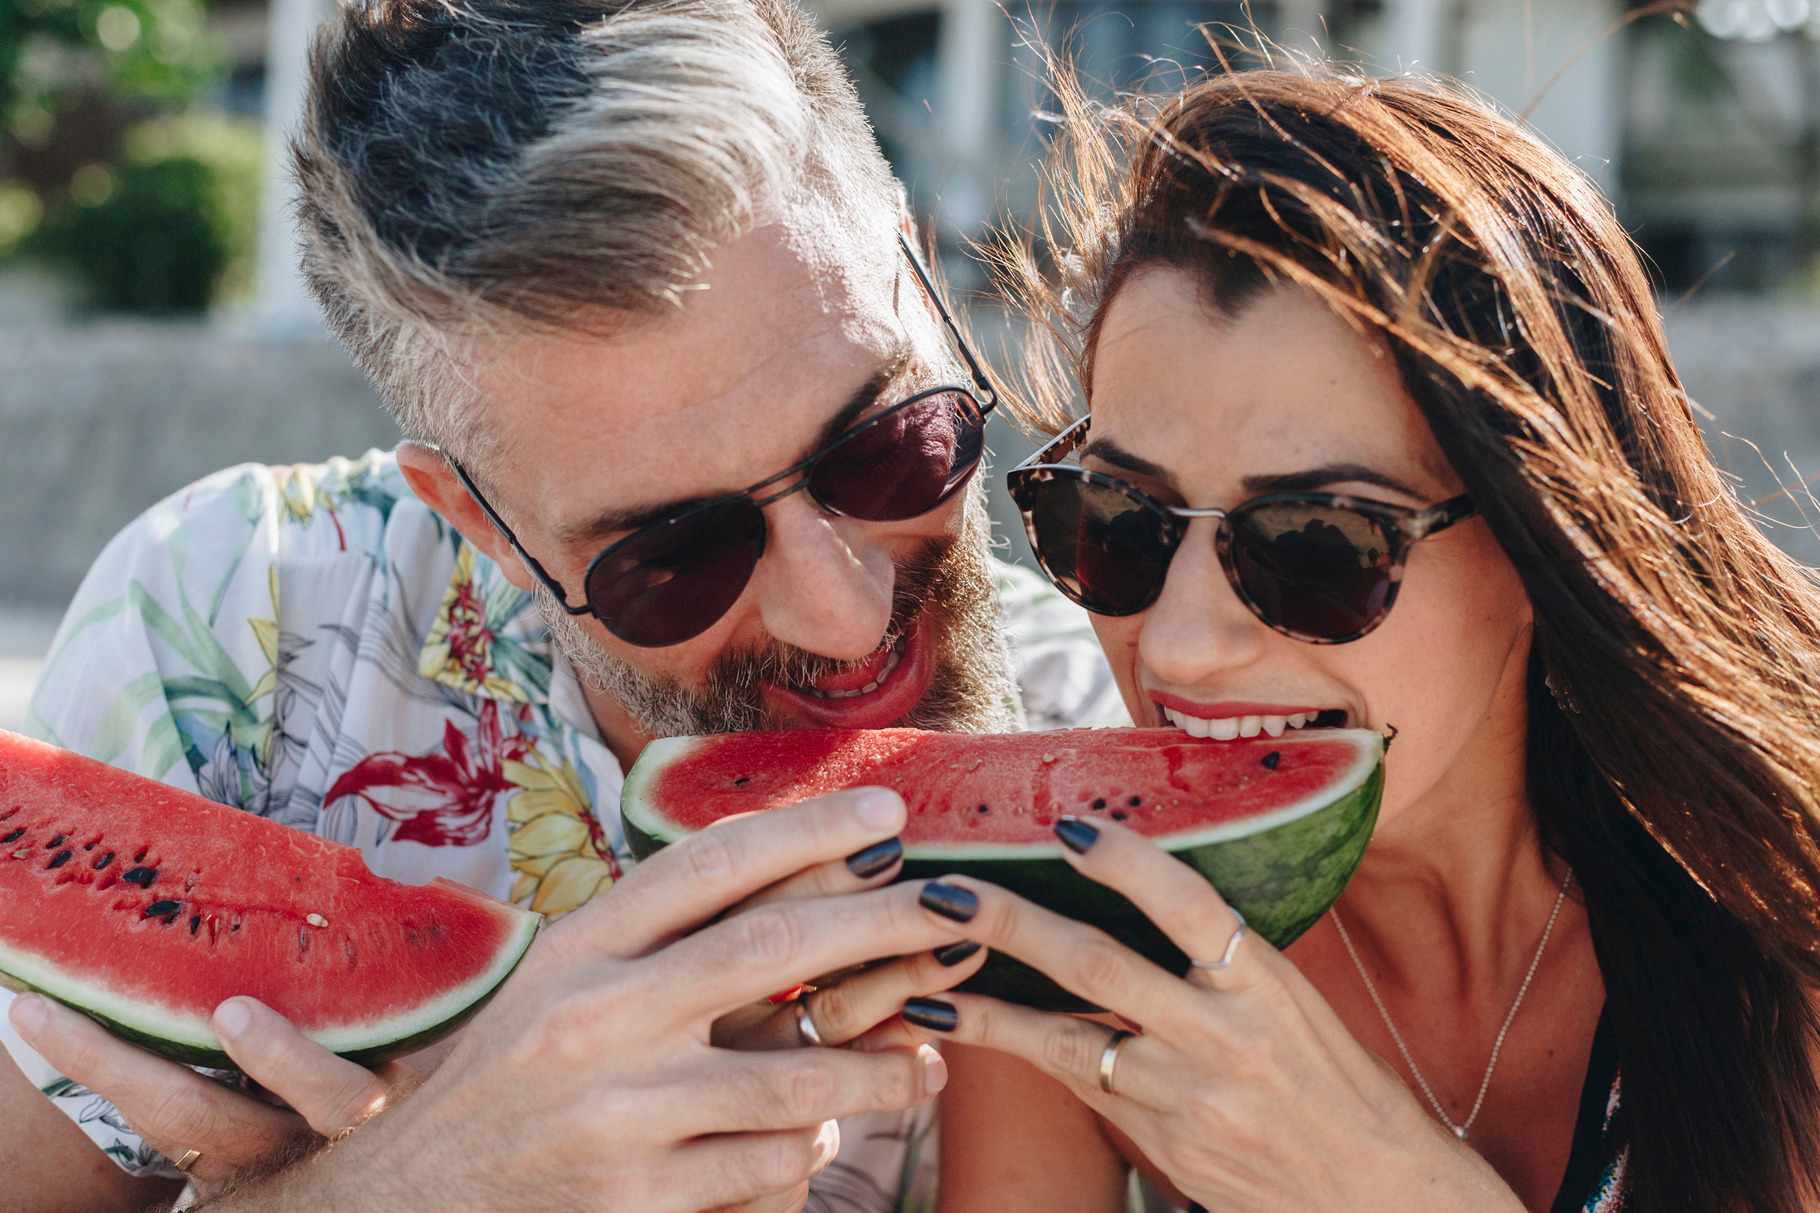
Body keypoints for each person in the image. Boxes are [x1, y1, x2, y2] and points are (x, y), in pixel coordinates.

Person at [0, 2, 1124, 1211]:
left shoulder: (1097, 718)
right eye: (677, 553)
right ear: (473, 516)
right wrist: (394, 1186)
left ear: (918, 278)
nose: (842, 614)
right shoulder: (234, 630)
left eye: (887, 444)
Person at [892, 69, 1820, 1213]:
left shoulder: (1783, 922)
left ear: (1548, 544)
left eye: (1315, 547)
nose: (1178, 647)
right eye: (1116, 525)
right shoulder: (1078, 941)